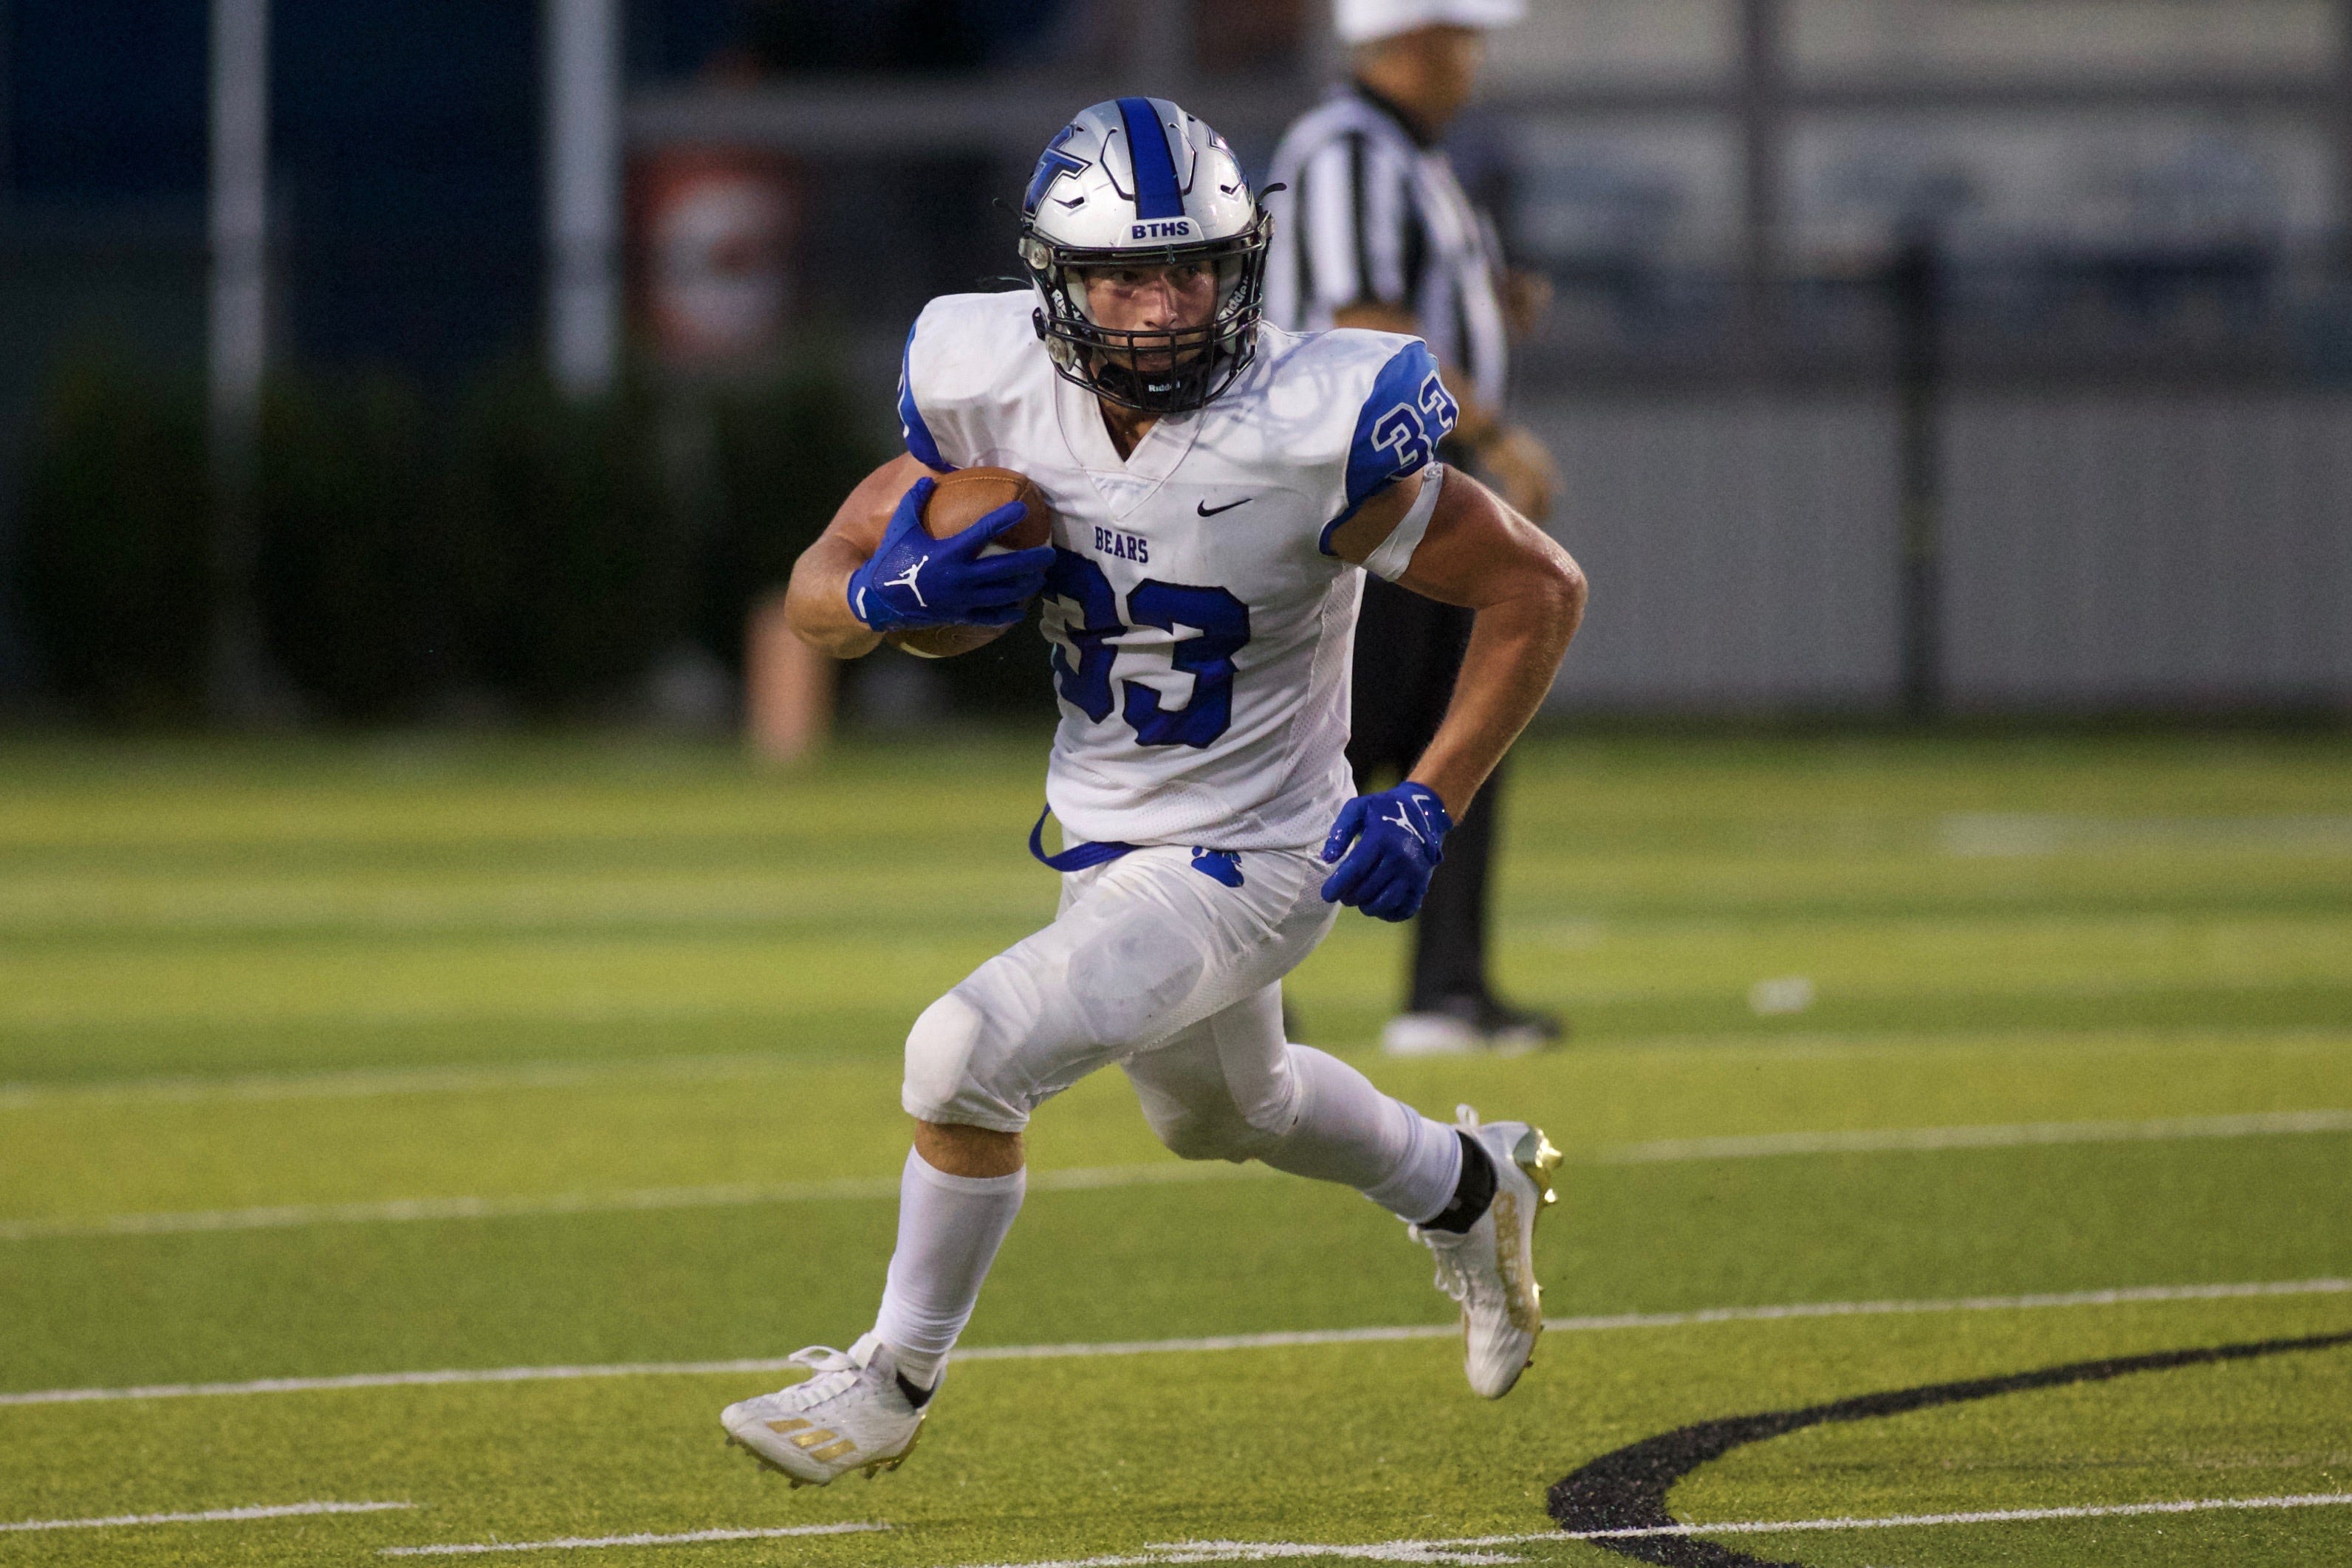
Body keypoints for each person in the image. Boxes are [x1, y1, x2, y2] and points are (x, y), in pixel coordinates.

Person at [720, 97, 1586, 1487]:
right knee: (1224, 1116)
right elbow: (818, 586)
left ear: (1242, 265)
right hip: (1109, 834)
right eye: (1126, 272)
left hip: (1261, 847)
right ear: (1054, 280)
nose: (1164, 305)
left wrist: (1430, 795)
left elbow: (1535, 587)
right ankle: (1468, 1187)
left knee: (963, 1056)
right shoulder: (982, 379)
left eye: (1194, 267)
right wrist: (883, 592)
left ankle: (888, 1379)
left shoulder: (1311, 422)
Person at [1266, 0, 1565, 1056]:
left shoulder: (1404, 154)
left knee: (1467, 726)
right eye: (1459, 34)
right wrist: (1493, 428)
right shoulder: (1345, 149)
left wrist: (1487, 307)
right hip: (1368, 487)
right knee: (1331, 742)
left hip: (1410, 478)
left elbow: (1409, 303)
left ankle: (1446, 989)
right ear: (1408, 37)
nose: (1473, 57)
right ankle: (1241, 981)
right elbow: (1361, 322)